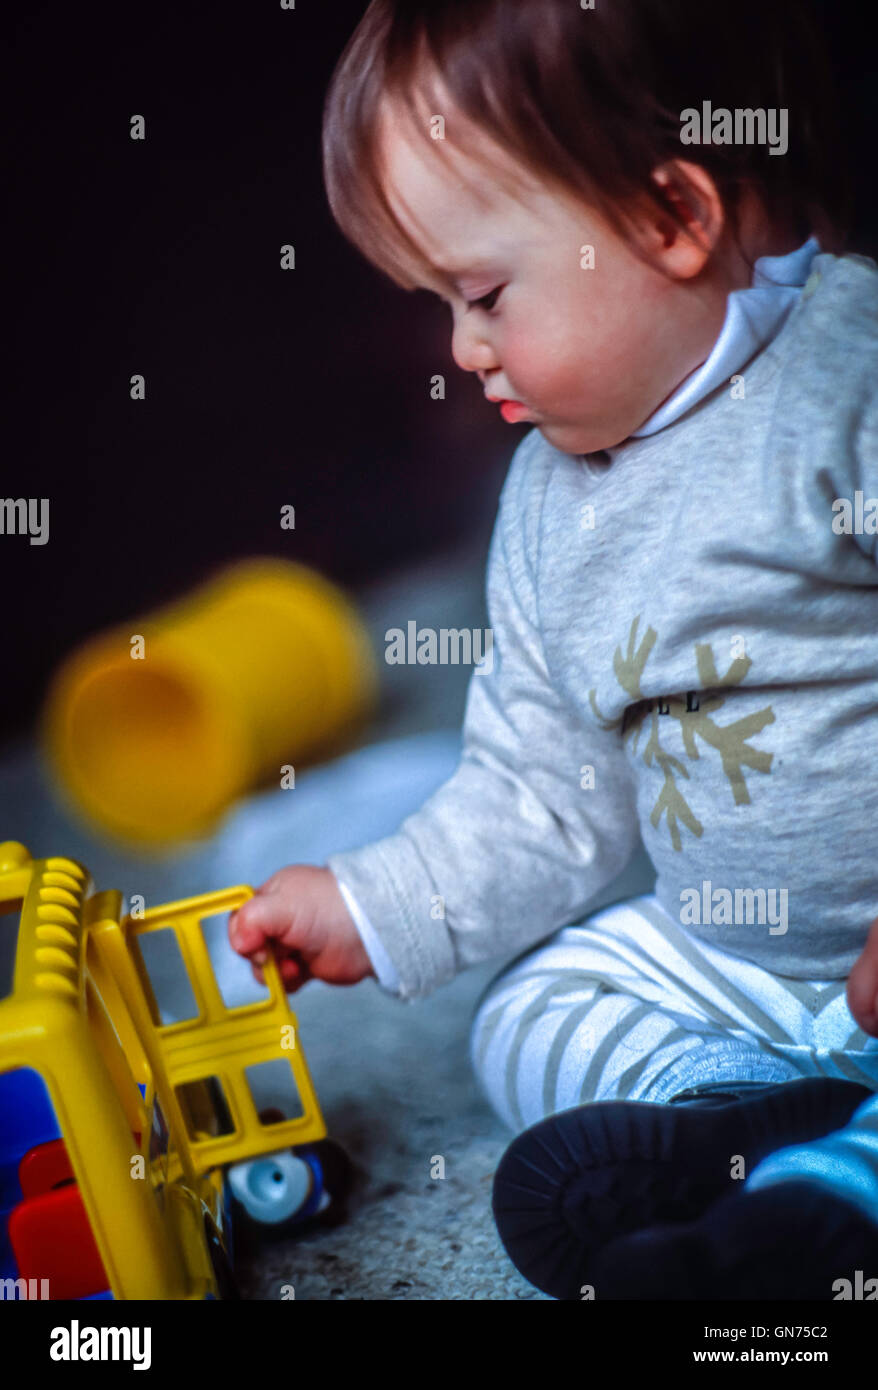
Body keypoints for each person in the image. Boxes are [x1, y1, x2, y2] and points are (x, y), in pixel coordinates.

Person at [230, 0, 878, 1298]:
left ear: (667, 218)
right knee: (529, 1012)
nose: (460, 349)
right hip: (742, 963)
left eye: (480, 295)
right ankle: (745, 1116)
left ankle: (828, 1202)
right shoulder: (547, 504)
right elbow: (538, 786)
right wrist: (374, 899)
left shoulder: (842, 385)